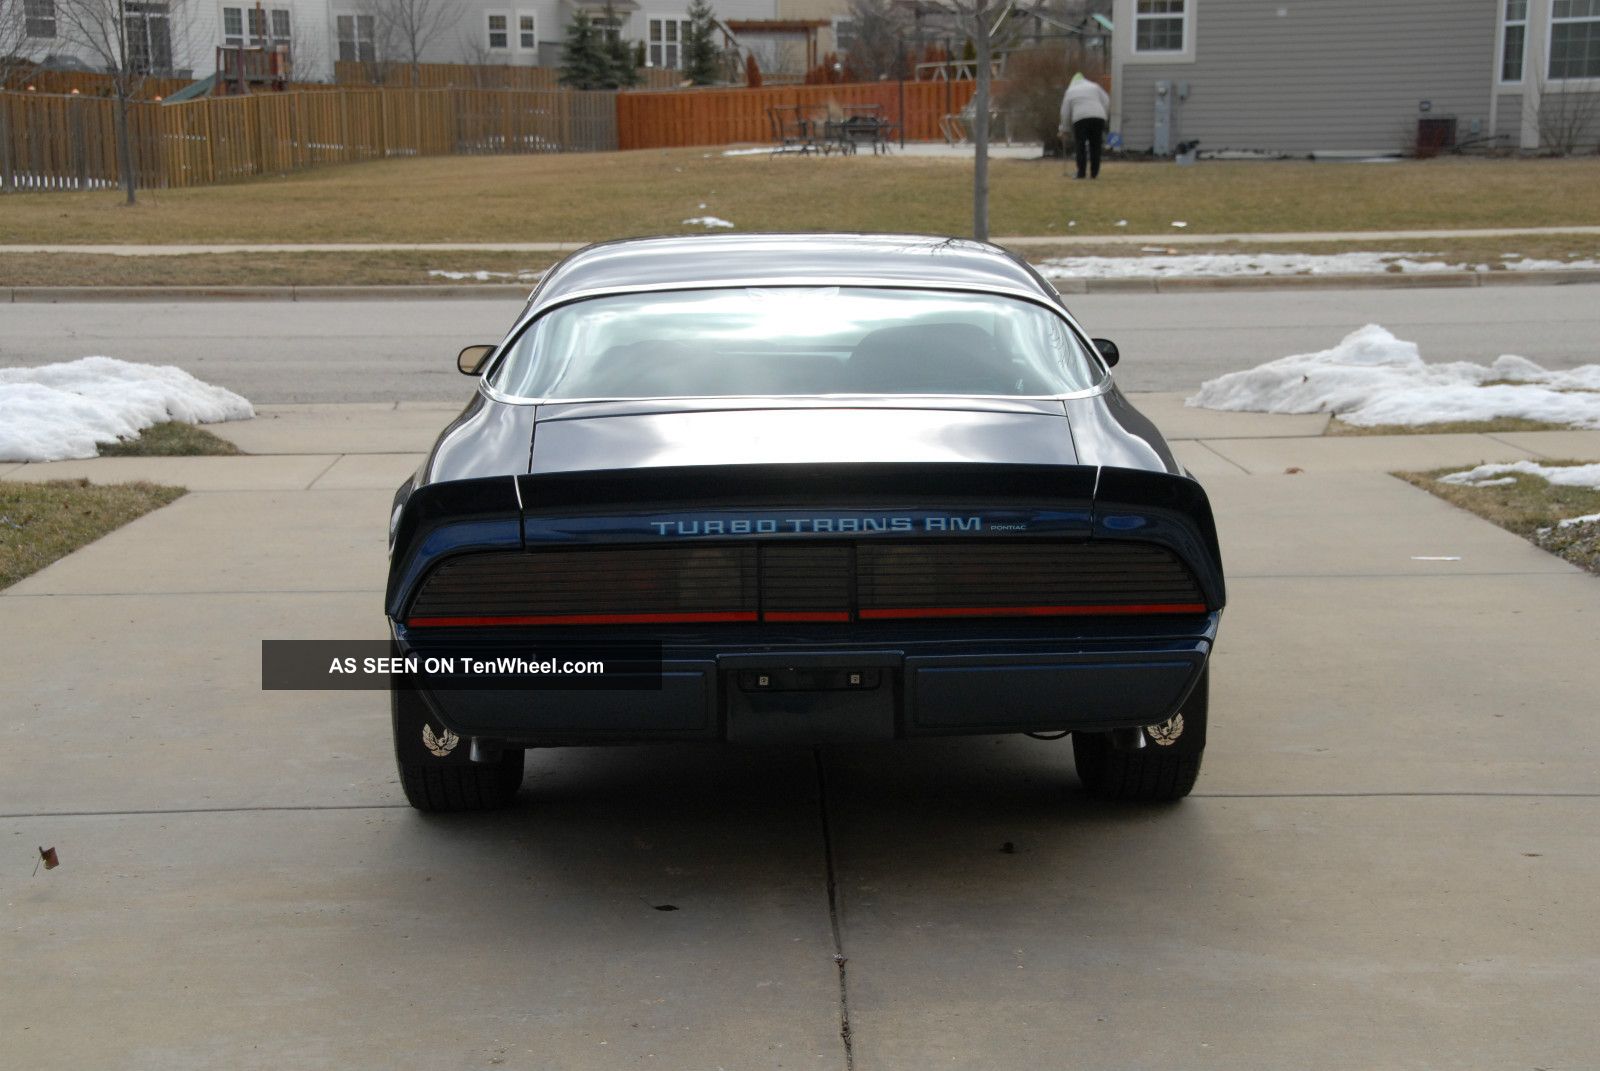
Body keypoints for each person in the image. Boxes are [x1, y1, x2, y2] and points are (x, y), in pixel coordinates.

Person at [1058, 72, 1110, 180]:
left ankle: (1081, 173)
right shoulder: (1094, 86)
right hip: (1098, 117)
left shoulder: (1070, 91)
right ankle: (1094, 173)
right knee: (1095, 145)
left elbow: (1065, 112)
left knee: (1080, 145)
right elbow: (1106, 101)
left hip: (1080, 118)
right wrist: (1103, 114)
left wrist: (1064, 129)